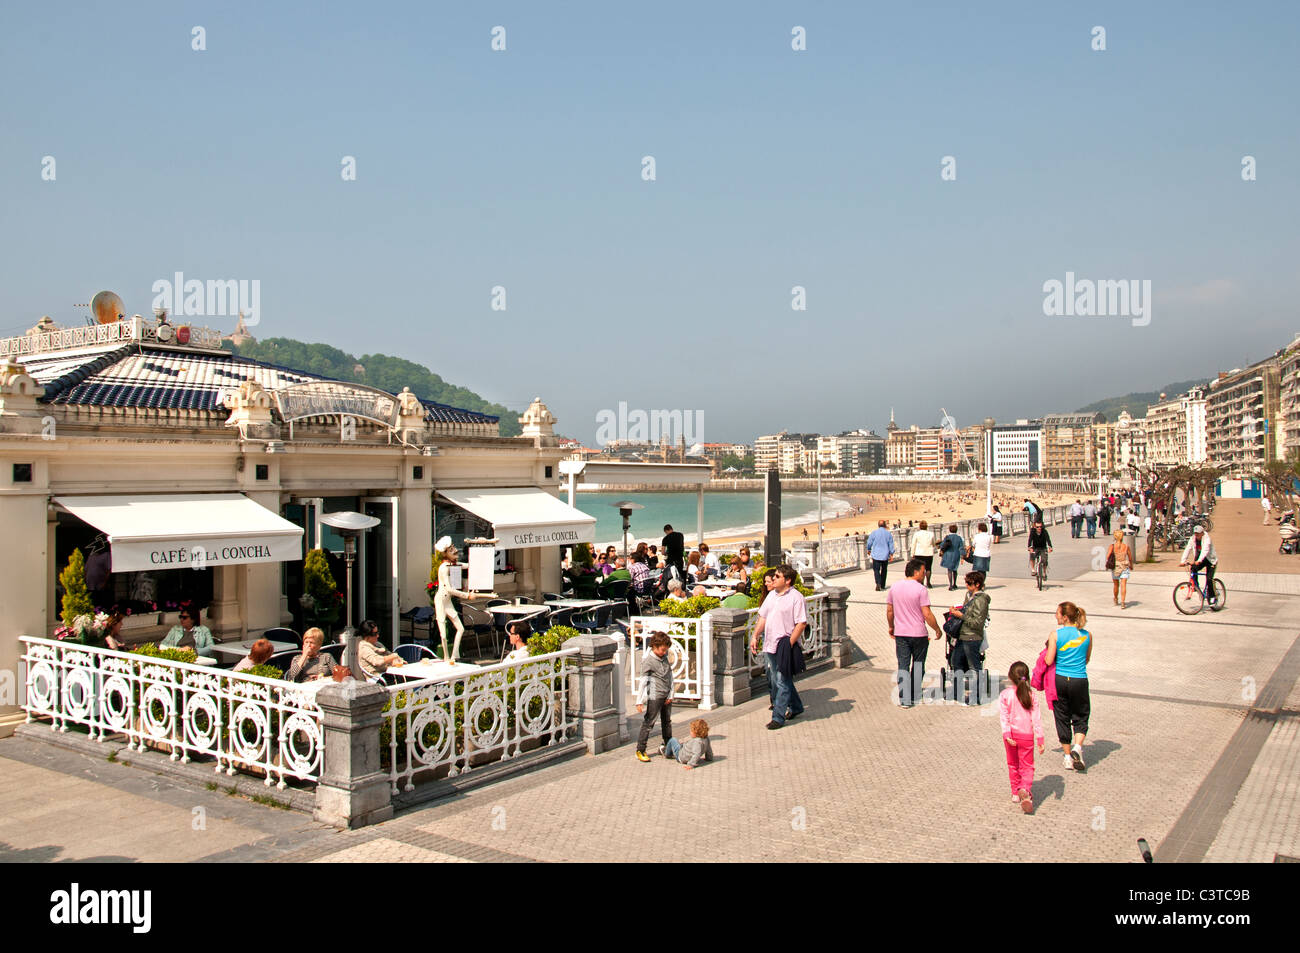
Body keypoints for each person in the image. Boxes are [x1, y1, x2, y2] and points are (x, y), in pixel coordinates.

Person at [750, 565, 807, 729]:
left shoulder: (796, 597)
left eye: (777, 576)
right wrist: (755, 636)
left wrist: (789, 643)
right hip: (769, 644)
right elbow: (763, 617)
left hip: (784, 644)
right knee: (779, 679)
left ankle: (778, 717)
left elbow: (801, 623)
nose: (773, 579)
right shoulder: (771, 596)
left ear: (787, 580)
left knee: (782, 681)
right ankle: (796, 706)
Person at [886, 557, 942, 707]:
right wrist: (937, 629)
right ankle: (915, 693)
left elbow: (890, 611)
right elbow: (927, 614)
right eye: (923, 572)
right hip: (919, 634)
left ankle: (904, 698)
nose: (925, 575)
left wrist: (891, 626)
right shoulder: (921, 589)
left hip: (901, 633)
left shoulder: (894, 587)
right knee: (918, 665)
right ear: (916, 572)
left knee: (903, 665)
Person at [1044, 601, 1092, 772]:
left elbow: (1049, 660)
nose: (1055, 616)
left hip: (1061, 680)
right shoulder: (1086, 635)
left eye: (1057, 613)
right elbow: (1086, 659)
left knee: (1062, 716)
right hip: (1080, 680)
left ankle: (1066, 758)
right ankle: (1077, 748)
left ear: (1064, 617)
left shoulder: (1055, 635)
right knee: (1081, 715)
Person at [432, 537, 492, 664]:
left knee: (460, 628)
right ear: (445, 553)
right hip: (441, 601)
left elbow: (470, 565)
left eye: (454, 547)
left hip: (447, 601)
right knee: (443, 633)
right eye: (451, 549)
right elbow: (449, 589)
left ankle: (455, 655)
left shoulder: (453, 565)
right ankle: (446, 658)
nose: (455, 551)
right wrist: (467, 596)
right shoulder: (444, 568)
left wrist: (482, 551)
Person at [999, 661, 1045, 814]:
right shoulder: (1031, 695)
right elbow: (1036, 719)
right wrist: (1040, 739)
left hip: (1011, 735)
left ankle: (1015, 792)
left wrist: (1006, 734)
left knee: (1013, 764)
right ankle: (1024, 788)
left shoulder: (1005, 695)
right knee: (1027, 765)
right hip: (1026, 736)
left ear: (1010, 677)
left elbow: (1003, 717)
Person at [946, 570, 989, 705]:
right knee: (955, 661)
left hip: (972, 637)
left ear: (977, 584)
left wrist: (960, 616)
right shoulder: (969, 596)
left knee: (974, 667)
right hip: (963, 635)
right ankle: (957, 692)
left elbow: (977, 622)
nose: (966, 586)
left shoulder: (981, 600)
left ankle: (975, 697)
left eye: (969, 584)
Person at [634, 632, 675, 761]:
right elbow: (643, 681)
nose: (664, 652)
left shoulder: (664, 658)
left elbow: (670, 676)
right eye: (662, 650)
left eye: (666, 650)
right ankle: (640, 749)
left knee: (666, 722)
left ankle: (668, 746)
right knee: (649, 722)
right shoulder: (648, 661)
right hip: (654, 694)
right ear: (655, 646)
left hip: (666, 694)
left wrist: (671, 693)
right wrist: (639, 700)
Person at [1179, 525, 1218, 608]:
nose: (1196, 535)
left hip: (1210, 560)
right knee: (1193, 568)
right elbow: (1188, 549)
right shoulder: (1193, 539)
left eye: (1198, 534)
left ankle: (1212, 597)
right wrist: (1183, 561)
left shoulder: (1207, 539)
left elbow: (1205, 550)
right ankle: (1196, 587)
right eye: (1195, 533)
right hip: (1200, 560)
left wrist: (1199, 560)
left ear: (1202, 533)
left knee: (1209, 579)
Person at [1107, 528, 1134, 608]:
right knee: (1123, 585)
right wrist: (1131, 565)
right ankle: (1123, 602)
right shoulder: (1126, 547)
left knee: (1116, 584)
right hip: (1124, 566)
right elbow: (1130, 557)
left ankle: (1115, 598)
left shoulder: (1112, 546)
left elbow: (1108, 556)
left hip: (1115, 566)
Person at [867, 520, 896, 591]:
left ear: (878, 525)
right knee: (884, 570)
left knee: (876, 570)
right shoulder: (888, 533)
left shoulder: (874, 533)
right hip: (885, 555)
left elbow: (869, 542)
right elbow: (891, 544)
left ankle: (878, 583)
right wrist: (891, 554)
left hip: (876, 554)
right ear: (885, 525)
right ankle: (882, 584)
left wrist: (869, 549)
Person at [910, 520, 935, 588]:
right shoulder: (931, 534)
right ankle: (928, 582)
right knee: (928, 568)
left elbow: (913, 544)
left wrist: (912, 554)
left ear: (920, 527)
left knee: (920, 569)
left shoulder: (917, 534)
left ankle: (921, 582)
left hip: (919, 553)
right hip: (928, 553)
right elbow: (933, 543)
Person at [939, 524, 965, 590]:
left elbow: (942, 545)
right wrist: (962, 556)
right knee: (955, 570)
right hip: (956, 554)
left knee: (949, 570)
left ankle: (950, 585)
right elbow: (961, 547)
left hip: (948, 554)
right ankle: (955, 584)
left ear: (949, 530)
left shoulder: (947, 537)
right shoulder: (959, 538)